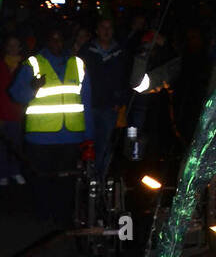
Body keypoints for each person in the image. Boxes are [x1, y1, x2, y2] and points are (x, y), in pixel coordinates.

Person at [9, 24, 93, 224]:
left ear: (66, 41)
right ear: (46, 41)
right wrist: (32, 88)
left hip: (71, 136)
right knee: (42, 179)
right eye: (52, 39)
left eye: (60, 39)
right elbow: (15, 94)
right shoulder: (33, 64)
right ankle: (44, 215)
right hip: (41, 137)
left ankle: (62, 216)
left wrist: (89, 137)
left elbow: (86, 102)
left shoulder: (78, 64)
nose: (57, 43)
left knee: (67, 180)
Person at [83, 16, 128, 177]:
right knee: (89, 143)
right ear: (97, 30)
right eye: (103, 27)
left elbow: (125, 78)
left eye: (109, 27)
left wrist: (119, 99)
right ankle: (88, 175)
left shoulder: (120, 52)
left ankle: (100, 178)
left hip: (110, 107)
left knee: (105, 144)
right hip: (90, 105)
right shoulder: (87, 51)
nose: (106, 31)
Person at [0, 33, 26, 185]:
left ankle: (15, 171)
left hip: (18, 113)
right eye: (10, 45)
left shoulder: (25, 66)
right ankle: (3, 173)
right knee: (2, 145)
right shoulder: (1, 65)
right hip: (2, 112)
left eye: (16, 45)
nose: (13, 48)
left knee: (16, 145)